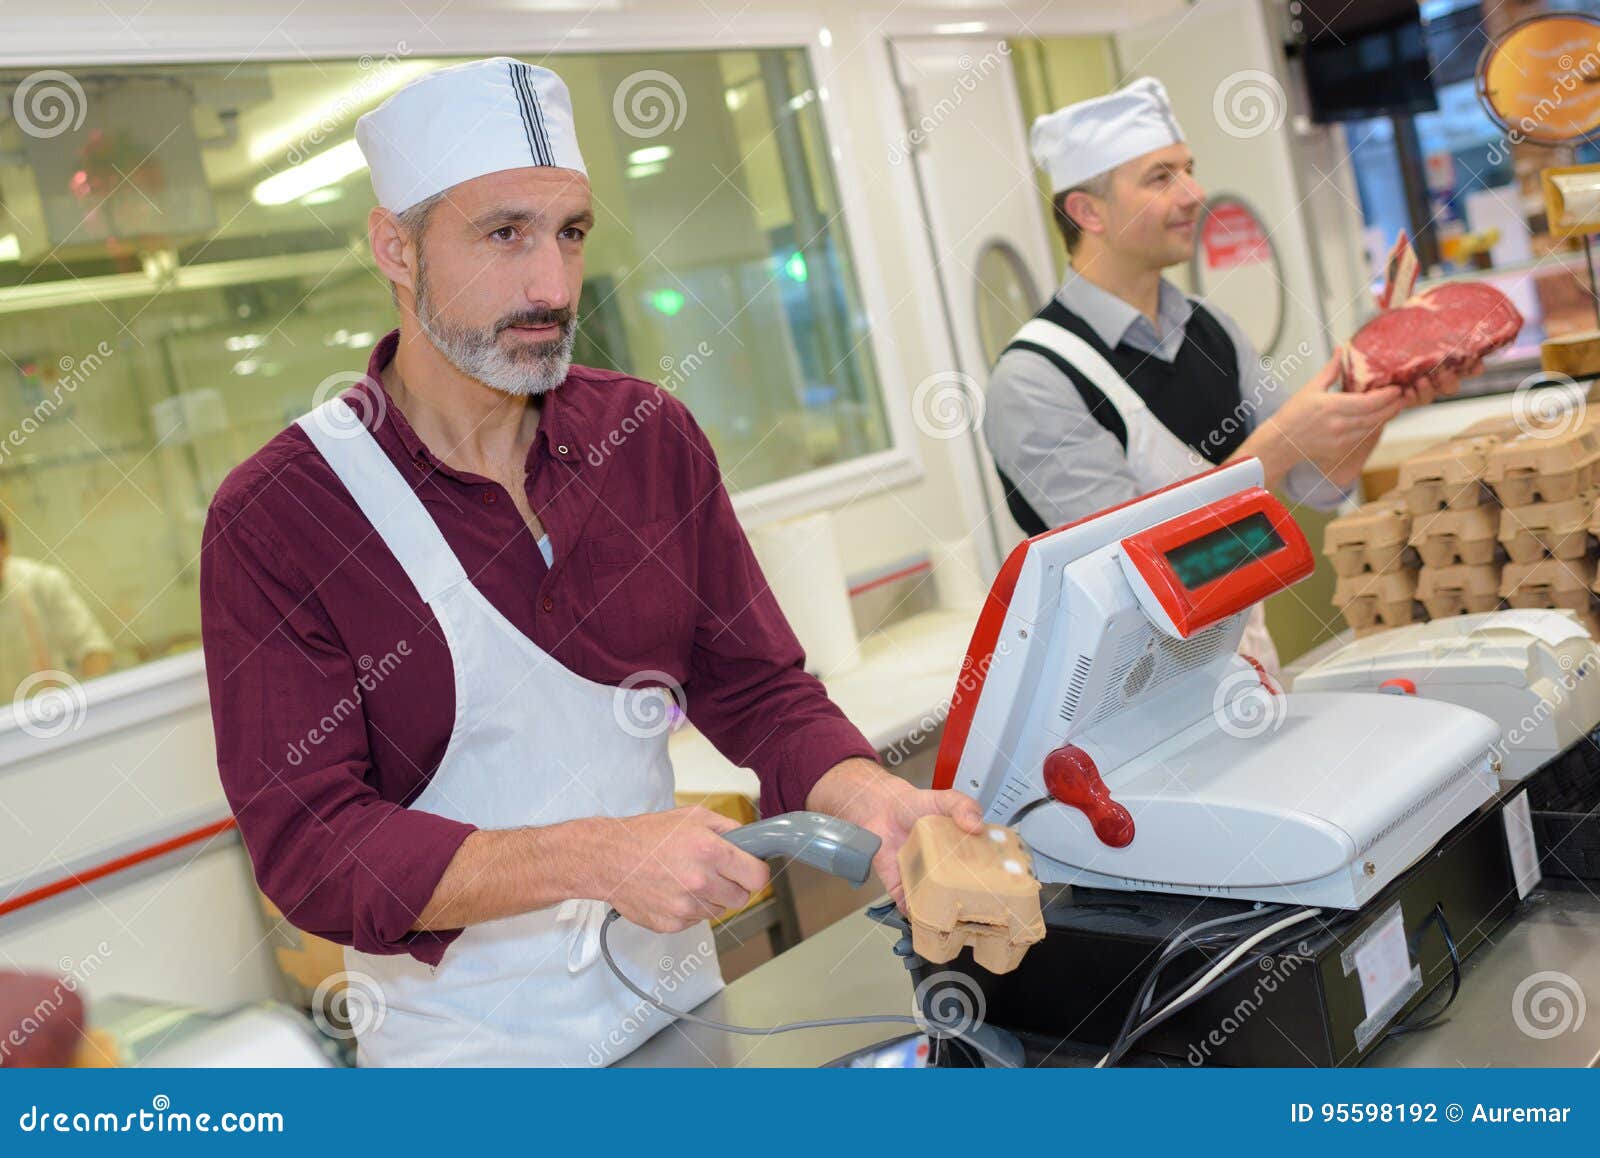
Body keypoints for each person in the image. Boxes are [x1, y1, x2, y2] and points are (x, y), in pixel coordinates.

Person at [198, 58, 982, 1068]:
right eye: (503, 234)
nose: (551, 286)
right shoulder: (283, 514)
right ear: (394, 245)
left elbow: (755, 687)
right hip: (470, 1066)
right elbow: (311, 849)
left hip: (682, 1008)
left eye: (570, 233)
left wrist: (868, 796)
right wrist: (595, 855)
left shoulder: (646, 437)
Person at [983, 78, 1476, 669]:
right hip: (1124, 697)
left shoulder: (1209, 327)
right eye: (1161, 178)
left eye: (1189, 169)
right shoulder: (1035, 380)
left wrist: (1381, 391)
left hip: (1244, 658)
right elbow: (1130, 577)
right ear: (1087, 211)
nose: (1195, 193)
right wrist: (1282, 440)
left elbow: (1318, 484)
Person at [0, 515, 113, 695]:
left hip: (60, 713)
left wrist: (95, 704)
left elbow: (92, 647)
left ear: (5, 546)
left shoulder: (42, 582)